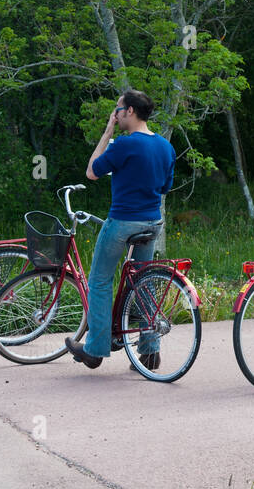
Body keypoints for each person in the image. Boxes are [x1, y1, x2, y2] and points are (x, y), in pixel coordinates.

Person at [65, 89, 175, 371]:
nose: (115, 113)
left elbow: (91, 172)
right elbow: (164, 187)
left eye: (118, 109)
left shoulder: (124, 145)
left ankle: (95, 349)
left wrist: (106, 132)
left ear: (129, 112)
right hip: (152, 223)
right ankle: (150, 351)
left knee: (100, 280)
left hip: (123, 222)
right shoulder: (165, 147)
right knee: (144, 282)